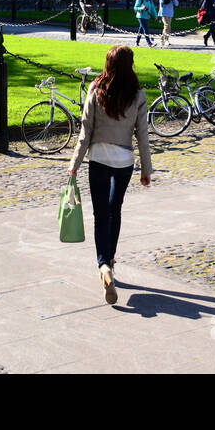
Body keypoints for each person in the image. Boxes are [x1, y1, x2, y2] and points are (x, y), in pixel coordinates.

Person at [67, 45, 152, 305]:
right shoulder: (138, 95)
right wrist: (147, 169)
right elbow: (143, 136)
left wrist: (74, 163)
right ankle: (110, 259)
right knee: (115, 210)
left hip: (99, 159)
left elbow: (85, 132)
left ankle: (103, 264)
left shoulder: (95, 91)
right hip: (124, 160)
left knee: (100, 215)